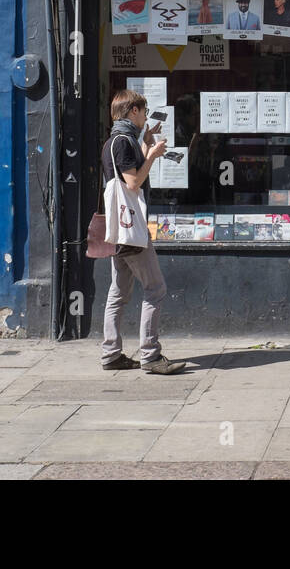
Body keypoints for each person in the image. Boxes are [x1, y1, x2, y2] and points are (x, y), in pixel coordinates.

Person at [100, 88, 187, 374]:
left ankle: (111, 353)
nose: (146, 115)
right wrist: (153, 154)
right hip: (132, 229)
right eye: (144, 110)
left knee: (119, 291)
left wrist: (146, 143)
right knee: (155, 288)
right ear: (132, 111)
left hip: (119, 230)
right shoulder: (123, 142)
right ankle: (150, 355)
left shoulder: (117, 141)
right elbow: (133, 182)